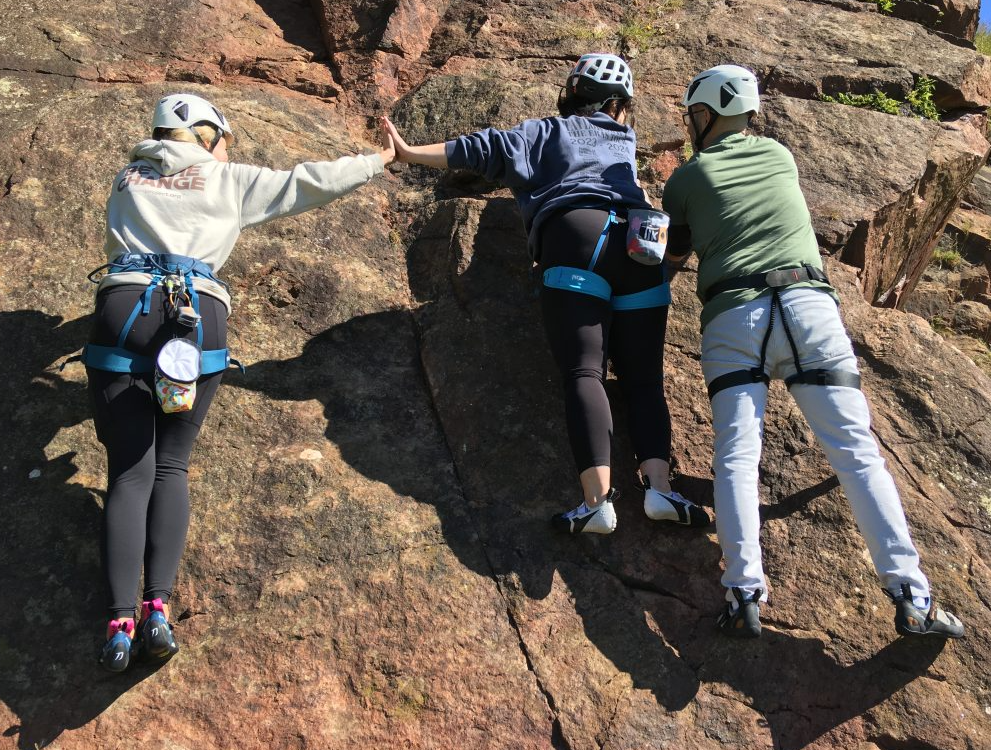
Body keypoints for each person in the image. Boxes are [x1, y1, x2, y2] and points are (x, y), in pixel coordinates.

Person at [86, 92, 395, 671]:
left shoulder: (126, 177)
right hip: (194, 317)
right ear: (205, 135)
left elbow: (115, 246)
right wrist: (380, 159)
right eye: (223, 138)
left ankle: (119, 622)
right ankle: (158, 609)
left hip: (123, 306)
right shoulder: (227, 180)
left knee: (131, 468)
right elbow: (306, 182)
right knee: (171, 465)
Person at [662, 64, 965, 639]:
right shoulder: (780, 156)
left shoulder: (687, 178)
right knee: (856, 452)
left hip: (733, 316)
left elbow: (673, 257)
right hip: (808, 305)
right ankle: (912, 596)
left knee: (736, 456)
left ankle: (745, 590)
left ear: (705, 114)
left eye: (694, 115)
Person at [382, 53, 710, 535]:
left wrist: (410, 153)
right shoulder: (625, 140)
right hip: (640, 243)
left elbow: (484, 150)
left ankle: (597, 502)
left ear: (571, 94)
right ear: (619, 106)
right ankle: (660, 489)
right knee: (643, 378)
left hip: (577, 237)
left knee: (585, 370)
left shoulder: (547, 133)